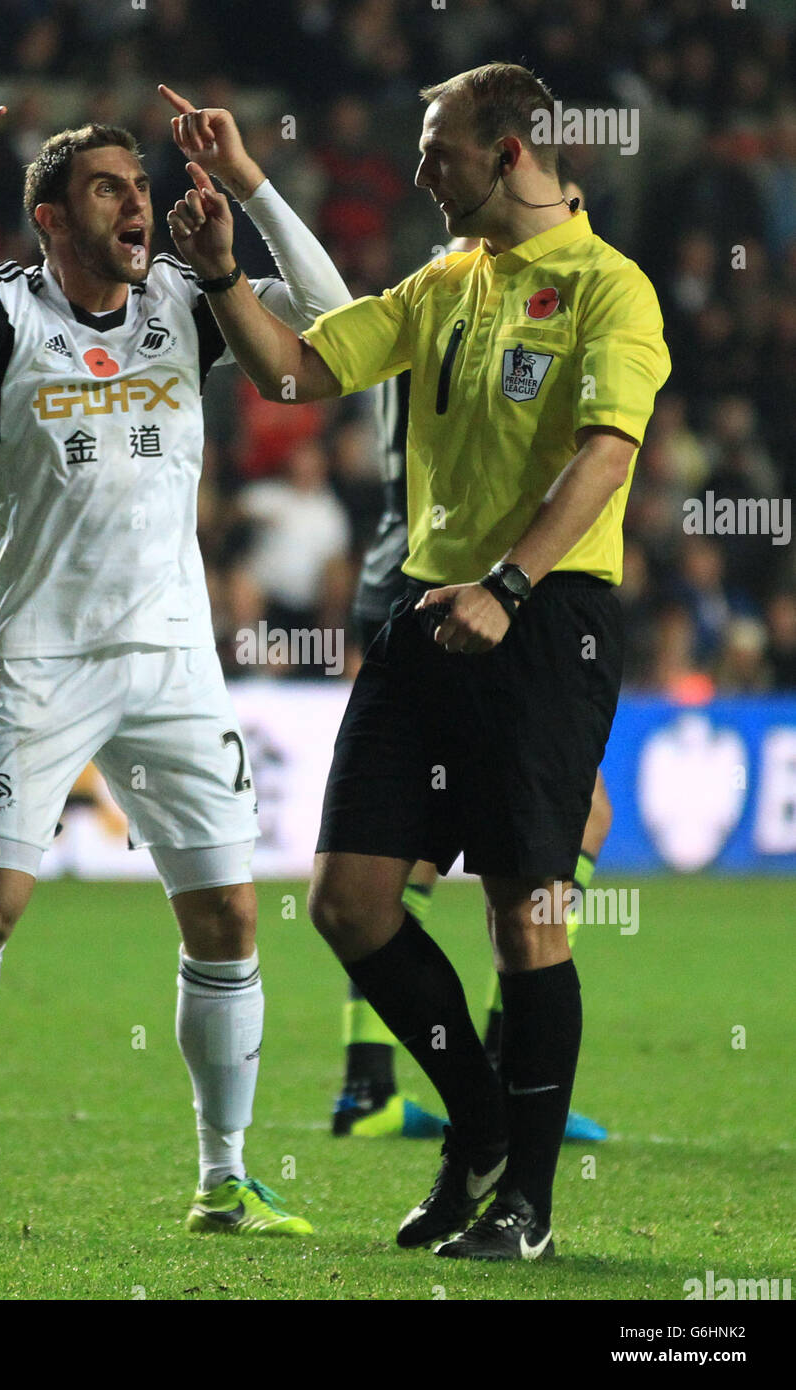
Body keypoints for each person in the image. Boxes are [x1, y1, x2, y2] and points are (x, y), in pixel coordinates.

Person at [165, 62, 670, 1260]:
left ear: (506, 153)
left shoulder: (611, 288)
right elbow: (298, 369)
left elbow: (604, 457)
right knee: (348, 900)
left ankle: (525, 1207)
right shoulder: (443, 282)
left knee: (526, 917)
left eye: (436, 147)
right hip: (426, 617)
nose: (415, 169)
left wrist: (509, 585)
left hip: (543, 618)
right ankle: (483, 1126)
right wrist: (227, 272)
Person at [0, 87, 352, 1237]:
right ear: (52, 216)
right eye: (110, 186)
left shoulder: (187, 297)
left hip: (171, 658)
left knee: (227, 917)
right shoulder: (7, 312)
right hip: (39, 659)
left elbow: (336, 319)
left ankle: (224, 1176)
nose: (139, 202)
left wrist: (252, 187)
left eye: (141, 183)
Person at [335, 214, 609, 1147]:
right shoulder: (455, 296)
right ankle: (473, 1078)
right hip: (444, 583)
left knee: (429, 859)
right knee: (506, 857)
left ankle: (405, 1085)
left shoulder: (439, 299)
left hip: (418, 572)